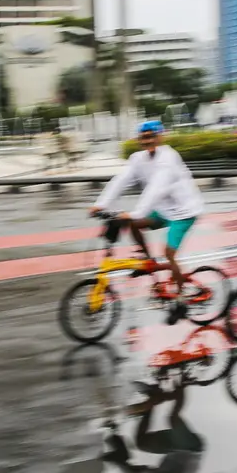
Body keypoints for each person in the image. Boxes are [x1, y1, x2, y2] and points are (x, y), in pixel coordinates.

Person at [90, 120, 204, 325]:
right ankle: (148, 261)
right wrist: (101, 205)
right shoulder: (137, 159)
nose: (148, 141)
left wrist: (136, 212)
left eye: (152, 136)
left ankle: (180, 302)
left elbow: (156, 189)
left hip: (184, 211)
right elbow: (121, 180)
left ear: (161, 137)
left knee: (169, 254)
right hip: (162, 209)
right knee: (133, 225)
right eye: (144, 137)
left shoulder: (168, 158)